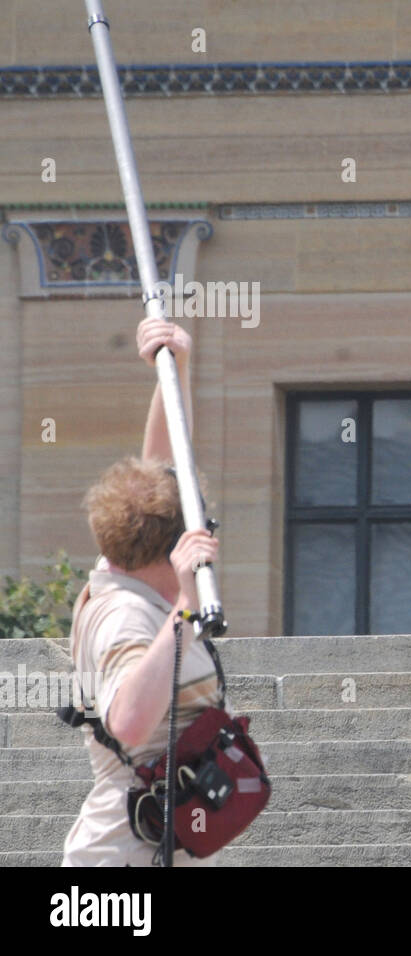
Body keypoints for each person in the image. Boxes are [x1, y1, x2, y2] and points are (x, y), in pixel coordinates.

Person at [62, 316, 224, 867]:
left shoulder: (125, 560)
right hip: (124, 860)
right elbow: (129, 720)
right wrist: (185, 607)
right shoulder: (124, 617)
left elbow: (158, 471)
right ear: (169, 545)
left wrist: (172, 369)